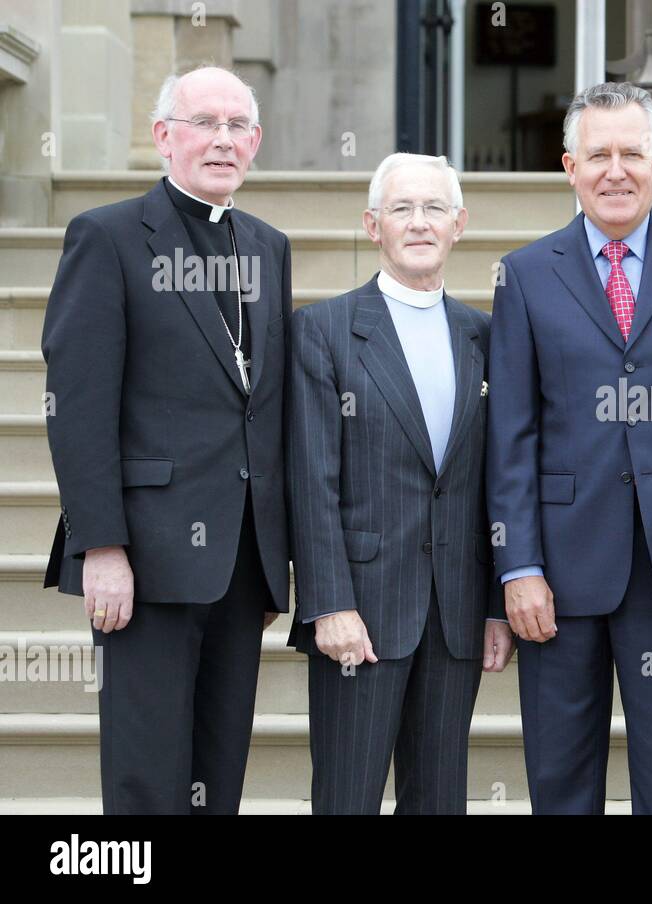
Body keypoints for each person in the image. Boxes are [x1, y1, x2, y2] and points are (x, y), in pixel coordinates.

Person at [486, 82, 652, 814]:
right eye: (598, 154)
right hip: (559, 568)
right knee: (560, 775)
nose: (616, 170)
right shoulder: (525, 273)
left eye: (632, 153)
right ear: (569, 165)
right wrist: (517, 564)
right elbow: (510, 434)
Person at [42, 66, 292, 814]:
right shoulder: (107, 237)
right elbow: (78, 407)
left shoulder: (268, 246)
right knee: (147, 777)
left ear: (254, 143)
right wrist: (102, 547)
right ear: (163, 137)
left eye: (238, 126)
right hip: (146, 558)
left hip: (243, 562)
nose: (222, 140)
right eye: (203, 123)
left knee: (220, 771)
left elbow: (262, 402)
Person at [288, 153, 511, 814]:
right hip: (360, 608)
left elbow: (499, 478)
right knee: (347, 797)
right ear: (372, 224)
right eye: (402, 209)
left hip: (456, 613)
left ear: (459, 224)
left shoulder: (486, 336)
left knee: (439, 800)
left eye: (434, 208)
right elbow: (311, 477)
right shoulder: (323, 331)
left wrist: (497, 603)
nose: (419, 223)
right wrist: (329, 603)